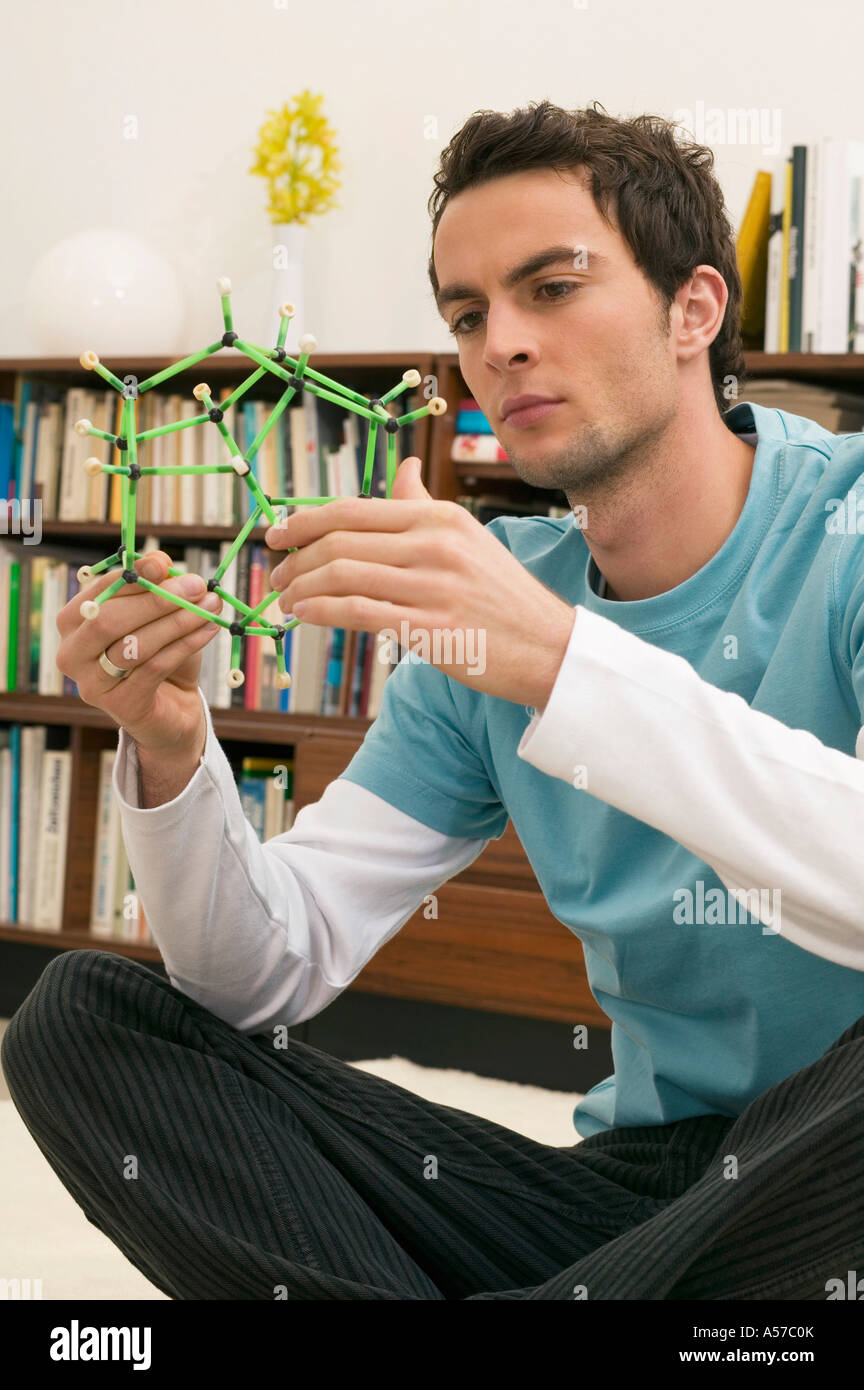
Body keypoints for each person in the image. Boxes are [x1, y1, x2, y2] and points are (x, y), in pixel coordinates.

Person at [3, 99, 863, 1301]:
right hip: (632, 1191)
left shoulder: (847, 528)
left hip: (836, 1164)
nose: (499, 342)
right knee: (81, 1020)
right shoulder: (497, 600)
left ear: (694, 309)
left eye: (550, 287)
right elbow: (266, 975)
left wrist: (560, 659)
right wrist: (171, 749)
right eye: (467, 314)